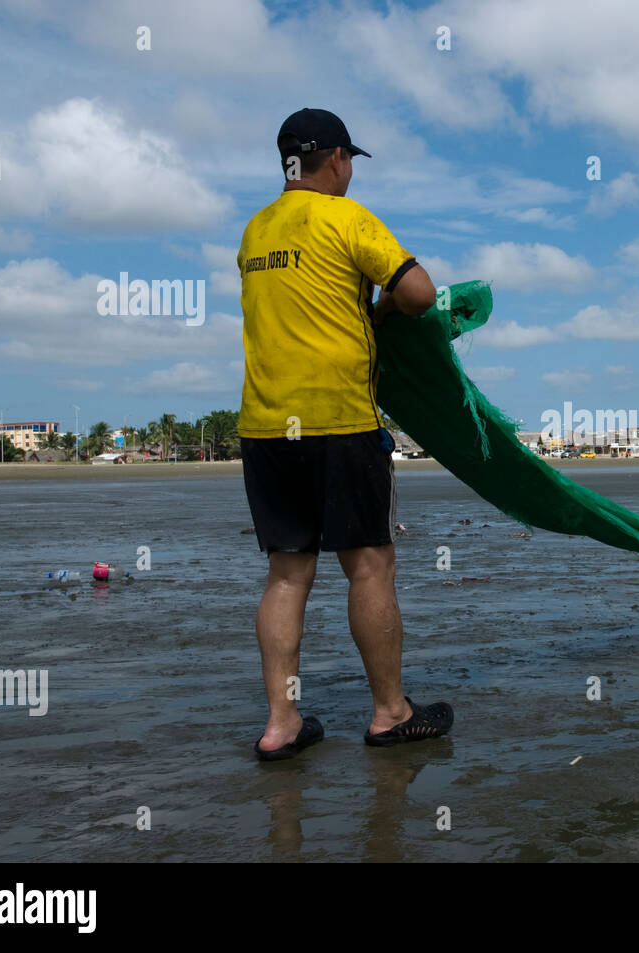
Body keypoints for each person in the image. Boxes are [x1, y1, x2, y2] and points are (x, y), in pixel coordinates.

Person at [238, 108, 451, 761]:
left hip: (266, 426)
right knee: (369, 566)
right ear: (333, 159)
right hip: (339, 422)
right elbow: (419, 291)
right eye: (350, 159)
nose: (352, 171)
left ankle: (282, 723)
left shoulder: (253, 232)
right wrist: (382, 306)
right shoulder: (346, 218)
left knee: (286, 574)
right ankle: (390, 712)